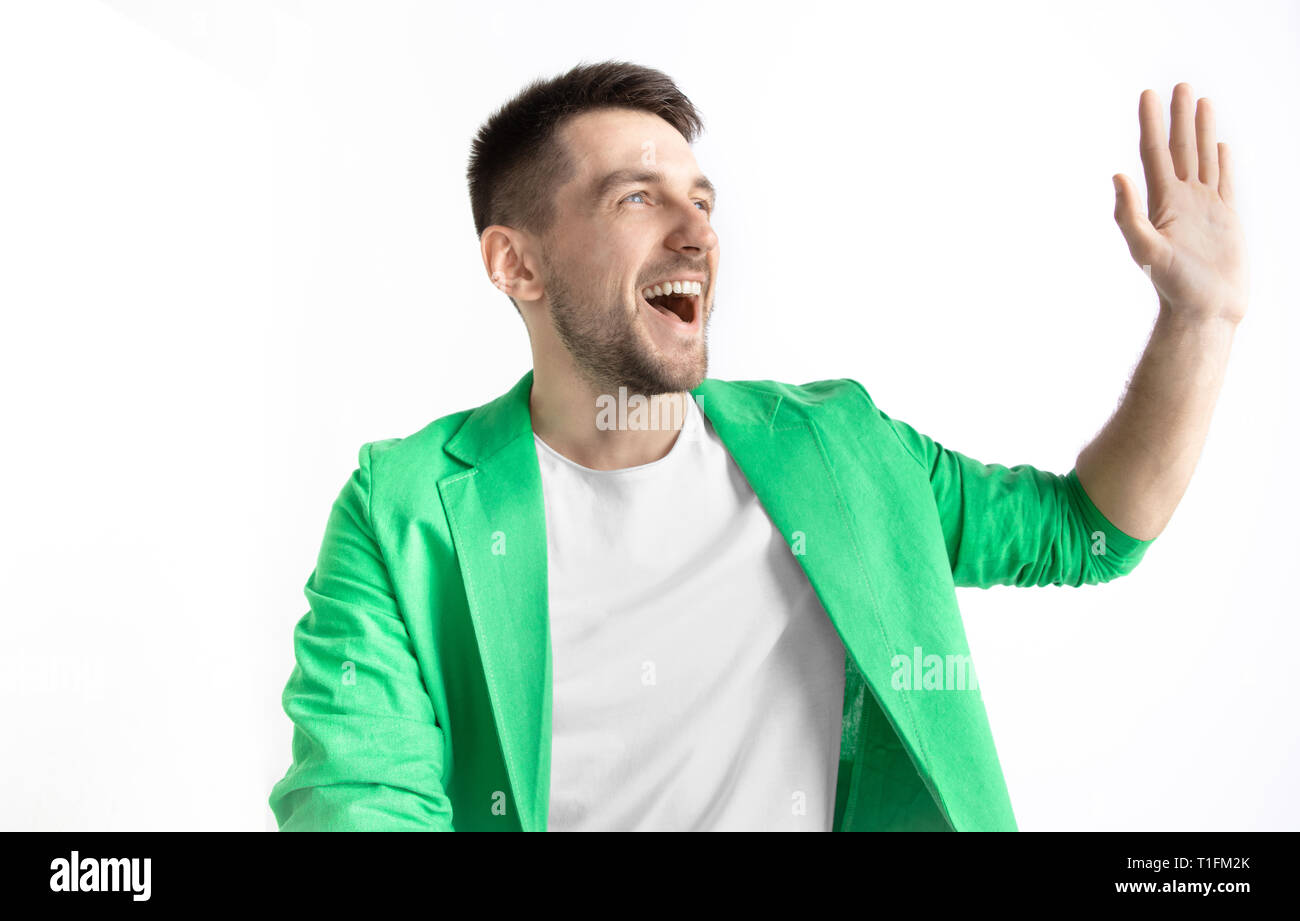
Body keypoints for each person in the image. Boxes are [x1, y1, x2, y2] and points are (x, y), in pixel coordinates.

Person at [268, 61, 1248, 831]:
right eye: (637, 199)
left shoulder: (839, 448)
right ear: (514, 261)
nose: (698, 231)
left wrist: (1196, 322)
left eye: (701, 200)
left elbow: (1086, 534)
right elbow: (358, 796)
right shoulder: (400, 508)